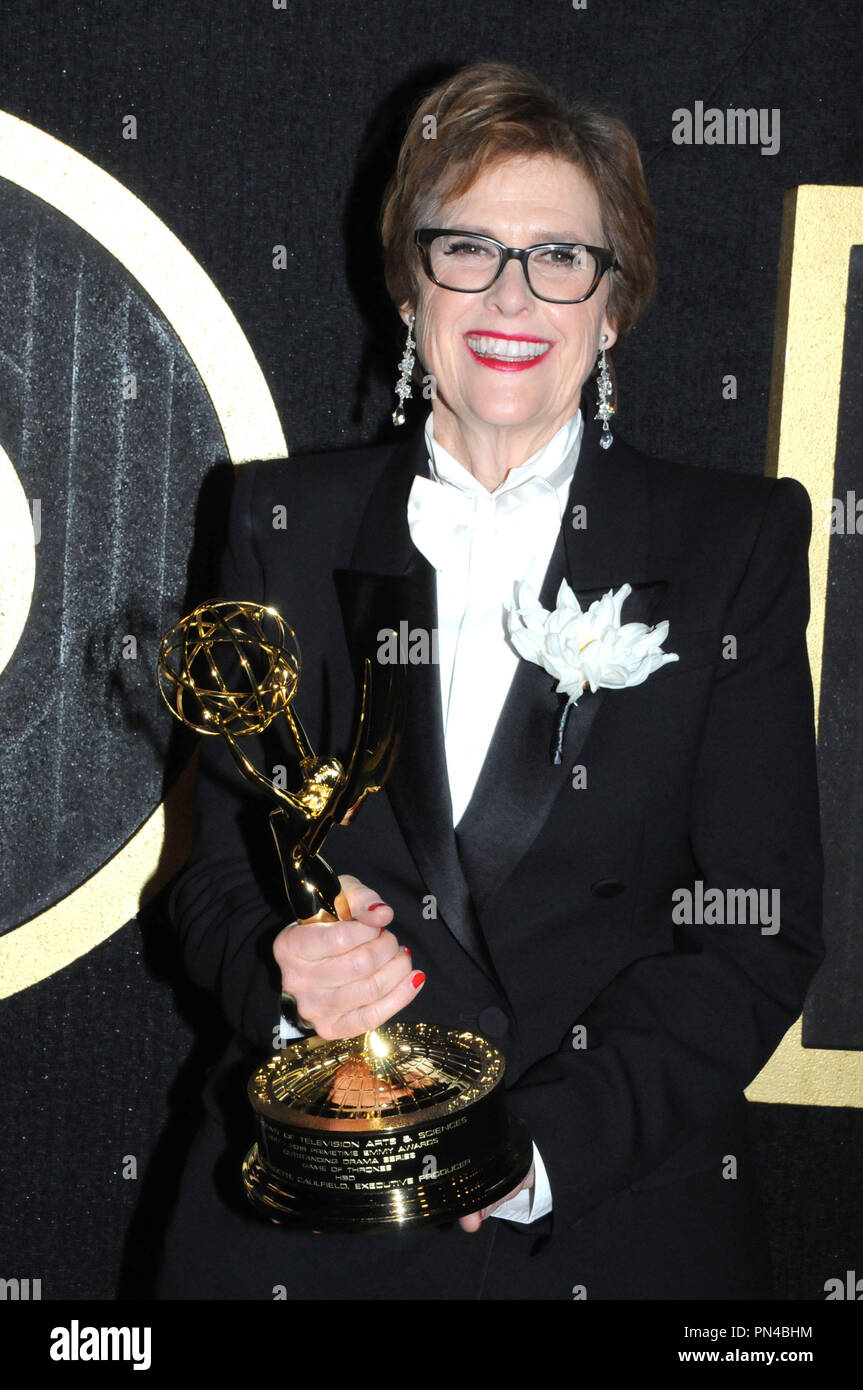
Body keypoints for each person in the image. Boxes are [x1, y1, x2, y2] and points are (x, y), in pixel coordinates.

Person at [156, 60, 824, 1300]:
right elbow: (213, 881)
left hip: (601, 1226)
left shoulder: (727, 543)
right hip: (296, 1226)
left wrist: (534, 1150)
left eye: (561, 256)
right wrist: (288, 978)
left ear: (611, 305)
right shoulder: (280, 521)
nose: (510, 292)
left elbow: (757, 927)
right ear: (409, 286)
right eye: (466, 248)